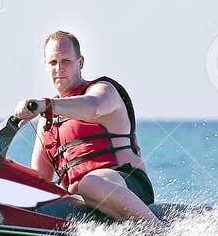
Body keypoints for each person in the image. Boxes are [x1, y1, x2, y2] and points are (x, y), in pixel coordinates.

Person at [12, 30, 160, 225]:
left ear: (80, 62)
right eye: (53, 62)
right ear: (45, 66)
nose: (59, 68)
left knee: (90, 183)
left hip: (126, 183)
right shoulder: (46, 122)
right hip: (83, 201)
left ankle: (159, 235)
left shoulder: (103, 90)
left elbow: (93, 107)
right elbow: (41, 181)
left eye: (66, 61)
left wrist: (46, 105)